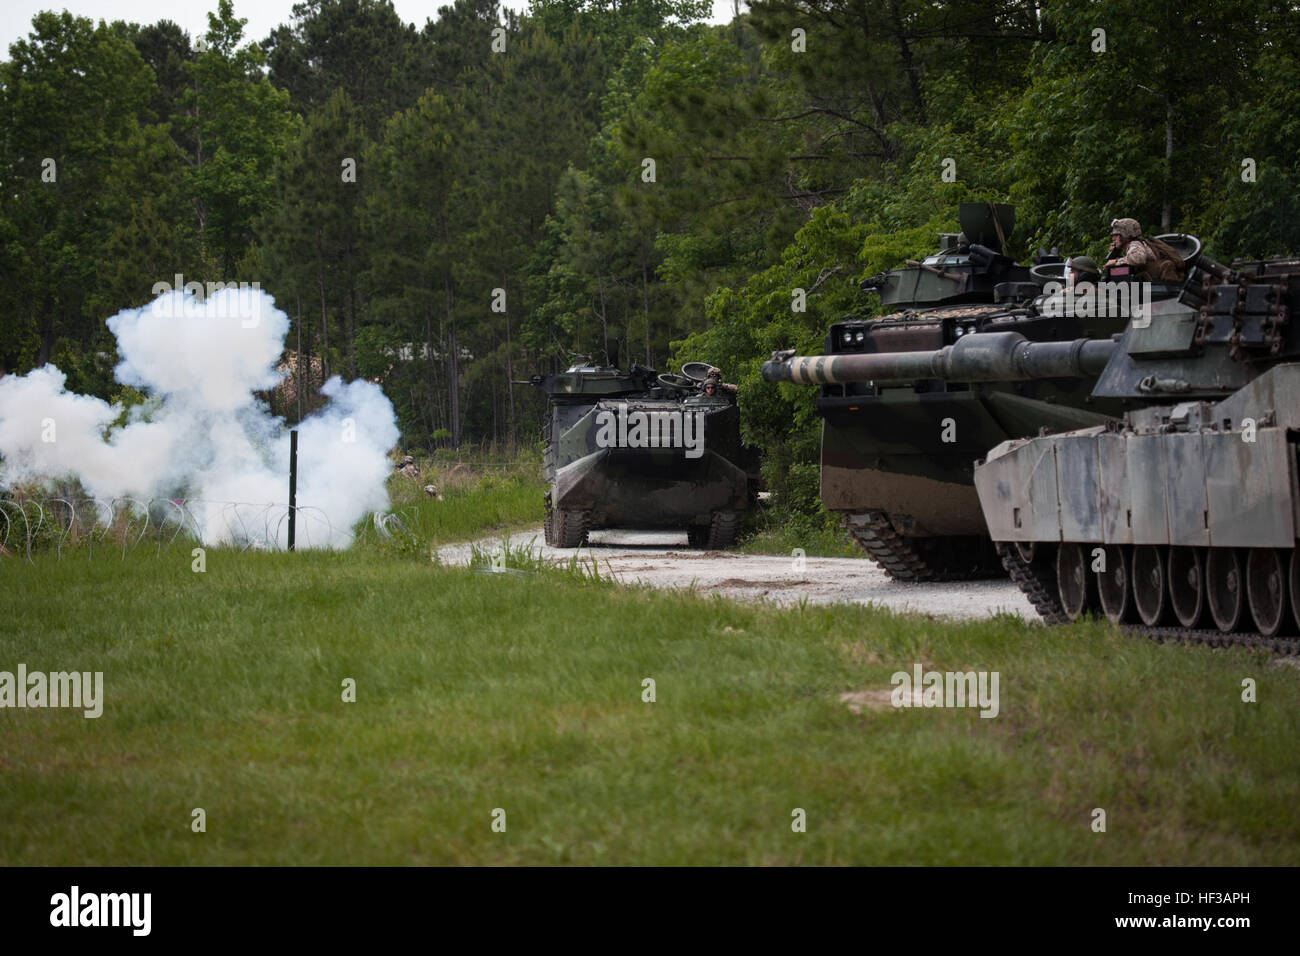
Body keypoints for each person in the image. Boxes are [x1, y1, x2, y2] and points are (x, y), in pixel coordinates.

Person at [1102, 218, 1185, 282]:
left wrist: (1116, 261)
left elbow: (1138, 259)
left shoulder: (1135, 245)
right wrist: (1115, 252)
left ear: (1125, 235)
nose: (1113, 238)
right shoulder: (1132, 246)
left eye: (1116, 235)